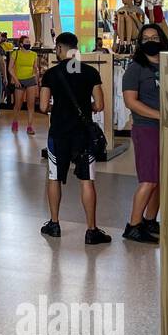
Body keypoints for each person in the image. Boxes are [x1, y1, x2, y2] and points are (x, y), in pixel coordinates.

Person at [38, 31, 110, 244]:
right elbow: (99, 105)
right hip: (83, 135)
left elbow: (43, 106)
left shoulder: (50, 74)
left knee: (54, 177)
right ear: (76, 48)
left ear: (60, 48)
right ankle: (91, 230)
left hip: (58, 133)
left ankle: (54, 223)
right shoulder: (89, 72)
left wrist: (59, 107)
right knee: (87, 180)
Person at [122, 23, 168, 244]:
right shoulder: (135, 69)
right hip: (146, 128)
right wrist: (160, 116)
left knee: (160, 179)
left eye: (154, 37)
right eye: (146, 38)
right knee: (148, 179)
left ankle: (150, 220)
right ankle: (133, 225)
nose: (151, 41)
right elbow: (130, 101)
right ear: (140, 43)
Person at [8, 35, 42, 135]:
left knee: (31, 105)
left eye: (29, 42)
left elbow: (35, 68)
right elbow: (10, 68)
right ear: (21, 44)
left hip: (31, 81)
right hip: (19, 80)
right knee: (18, 104)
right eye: (26, 42)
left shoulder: (34, 54)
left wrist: (37, 78)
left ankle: (30, 126)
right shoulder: (15, 53)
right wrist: (16, 80)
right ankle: (15, 122)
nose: (28, 44)